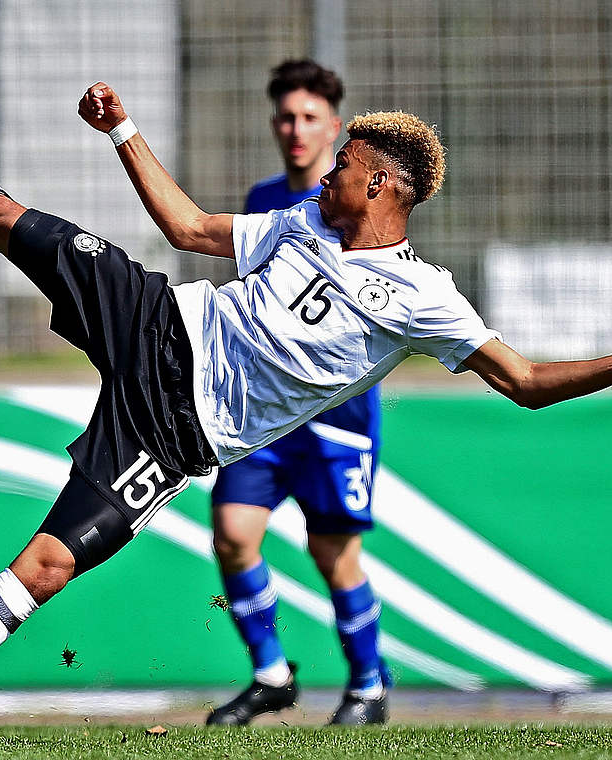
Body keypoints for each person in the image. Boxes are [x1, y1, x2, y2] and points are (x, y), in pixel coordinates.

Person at [0, 80, 612, 747]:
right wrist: (124, 128)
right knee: (11, 215)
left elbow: (527, 380)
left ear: (380, 185)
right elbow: (188, 231)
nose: (327, 170)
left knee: (47, 566)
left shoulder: (429, 298)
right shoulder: (303, 218)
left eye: (344, 162)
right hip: (156, 321)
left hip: (176, 435)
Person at [206, 59, 391, 727]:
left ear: (333, 127)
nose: (296, 129)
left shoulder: (363, 210)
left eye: (310, 117)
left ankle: (369, 685)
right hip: (264, 416)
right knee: (232, 533)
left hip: (336, 417)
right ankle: (271, 675)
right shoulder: (262, 202)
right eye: (286, 116)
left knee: (332, 552)